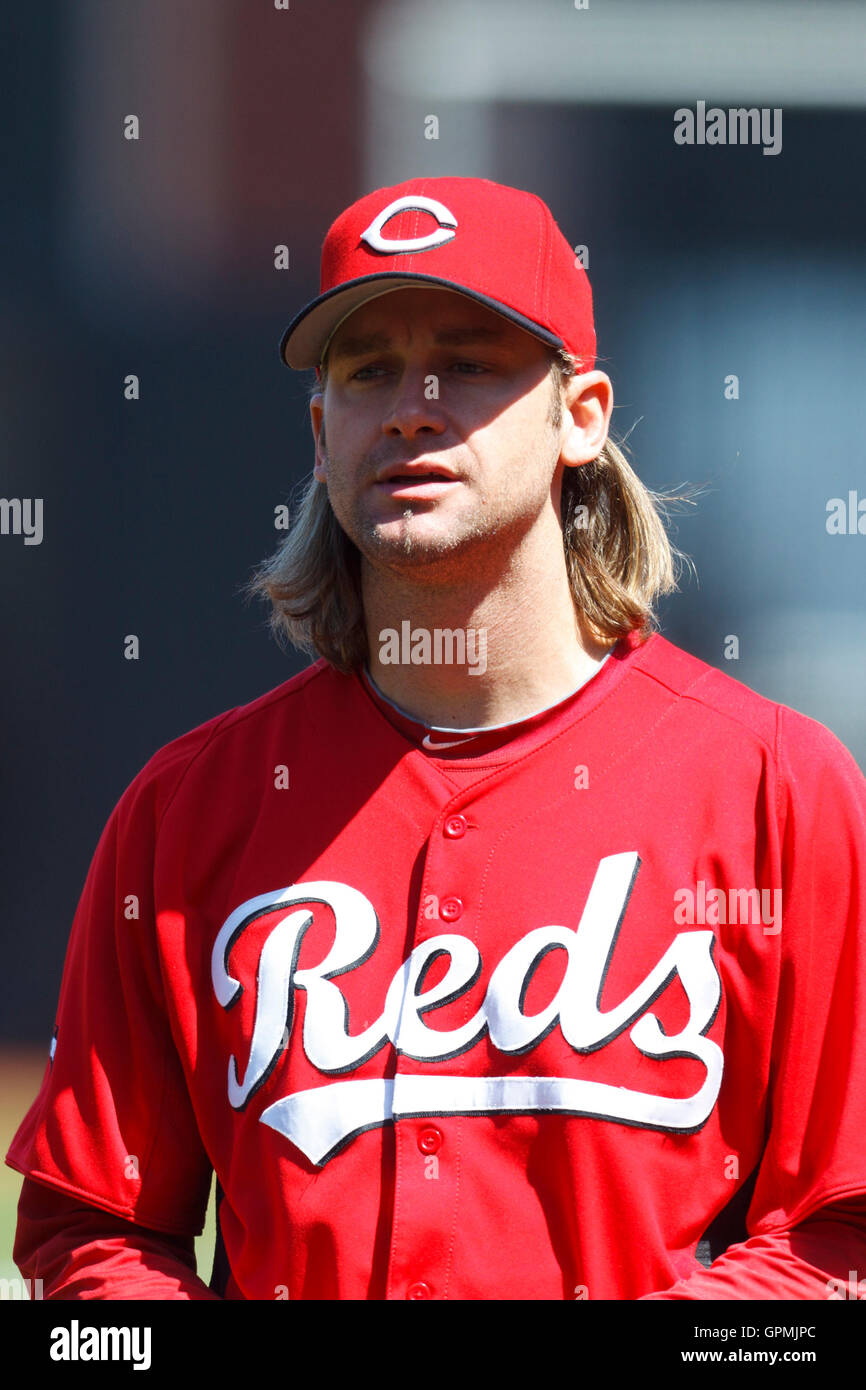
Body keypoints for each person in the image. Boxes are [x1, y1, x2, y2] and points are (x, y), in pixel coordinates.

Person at [7, 176, 866, 1301]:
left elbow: (834, 1243)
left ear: (581, 414)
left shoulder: (774, 789)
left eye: (466, 360)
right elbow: (89, 1239)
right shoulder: (187, 812)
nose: (412, 405)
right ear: (321, 436)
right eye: (367, 372)